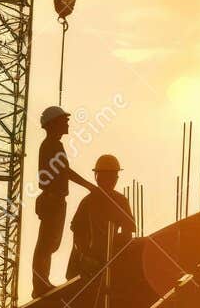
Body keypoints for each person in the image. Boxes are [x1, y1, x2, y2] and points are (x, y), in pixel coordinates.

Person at [31, 105, 94, 298]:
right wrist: (90, 186)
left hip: (53, 199)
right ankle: (40, 284)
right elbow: (65, 171)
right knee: (46, 244)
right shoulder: (52, 144)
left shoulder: (51, 144)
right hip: (53, 199)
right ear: (53, 124)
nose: (67, 123)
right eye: (64, 120)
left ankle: (41, 282)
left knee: (48, 244)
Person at [66, 154, 136, 284]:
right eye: (110, 176)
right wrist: (86, 257)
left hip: (106, 261)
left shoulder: (120, 201)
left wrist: (112, 250)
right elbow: (78, 234)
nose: (112, 180)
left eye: (113, 177)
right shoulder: (89, 201)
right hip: (86, 267)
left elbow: (127, 234)